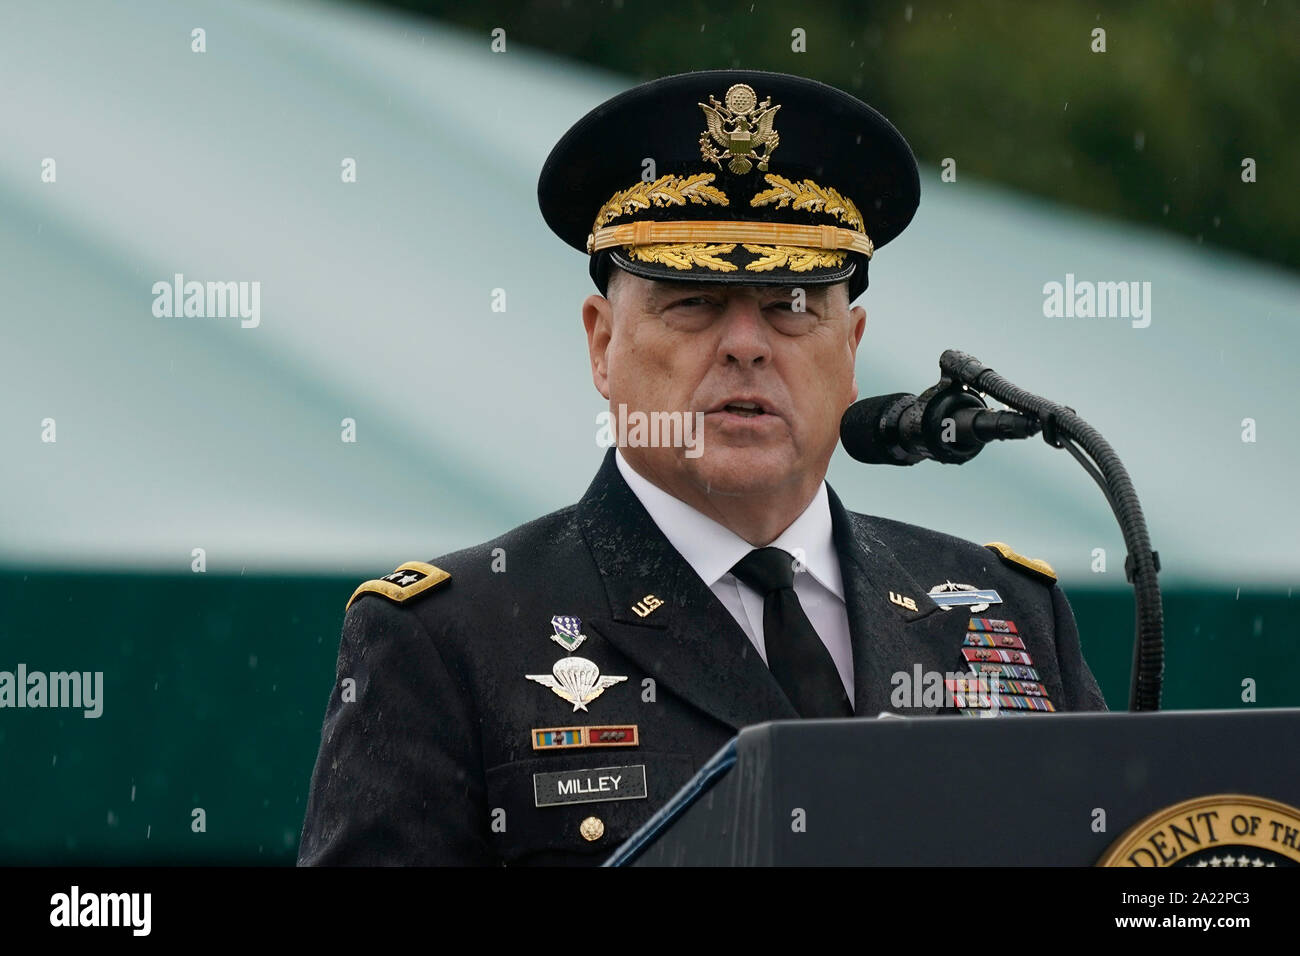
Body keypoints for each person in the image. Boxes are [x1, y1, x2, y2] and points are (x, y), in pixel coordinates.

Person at [297, 69, 1106, 867]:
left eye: (792, 305)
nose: (747, 344)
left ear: (851, 349)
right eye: (692, 300)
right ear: (602, 343)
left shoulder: (1004, 617)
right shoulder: (449, 642)